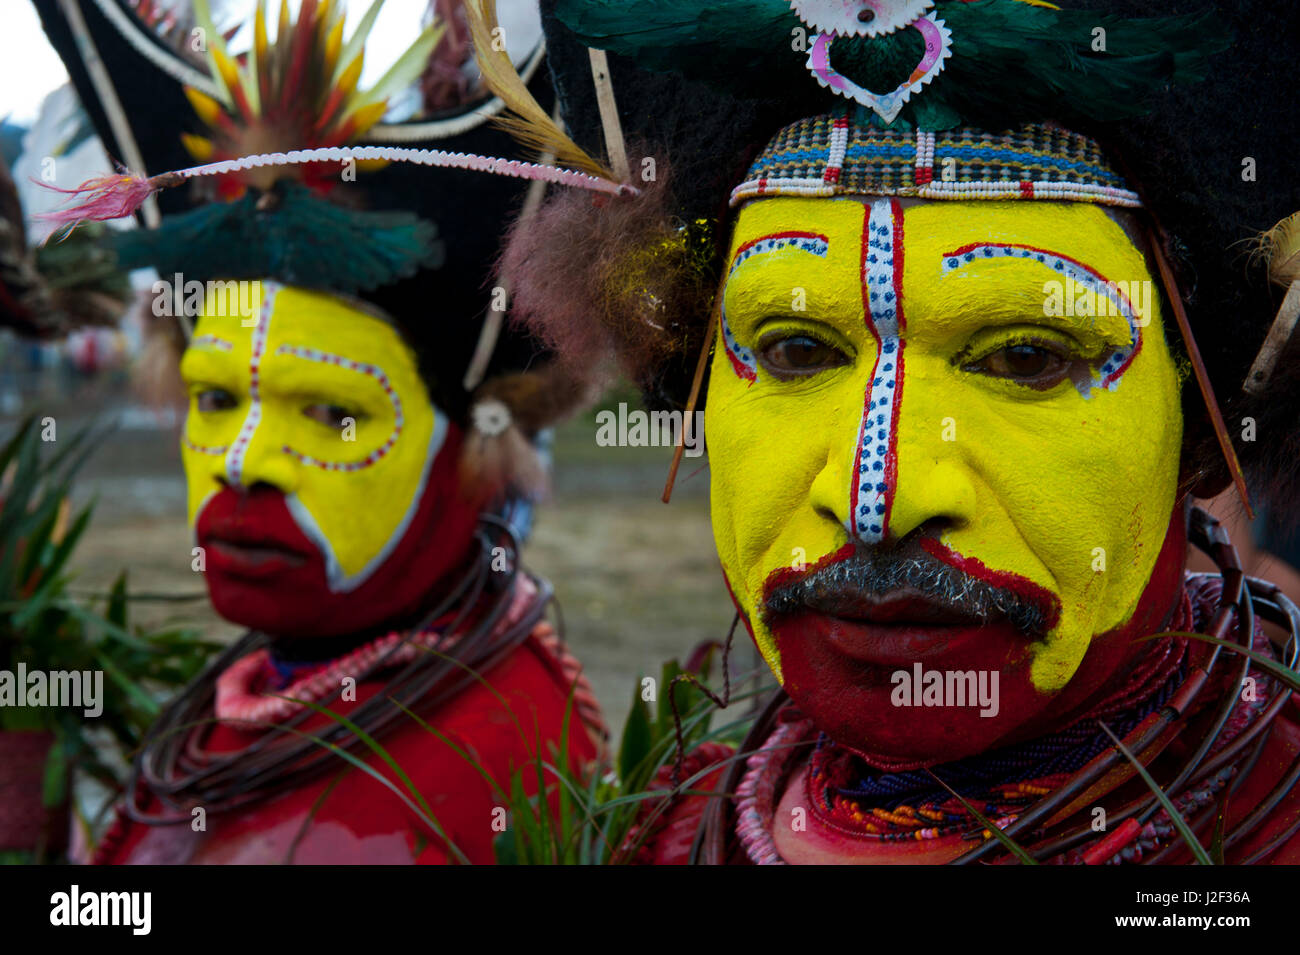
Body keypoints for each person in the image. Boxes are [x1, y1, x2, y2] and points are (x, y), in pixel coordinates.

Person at [497, 0, 1300, 863]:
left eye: (1027, 357)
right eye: (796, 349)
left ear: (1202, 423)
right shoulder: (664, 825)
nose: (874, 499)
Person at [35, 0, 603, 864]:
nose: (240, 464)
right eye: (216, 401)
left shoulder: (478, 766)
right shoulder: (290, 677)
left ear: (482, 443)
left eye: (335, 412)